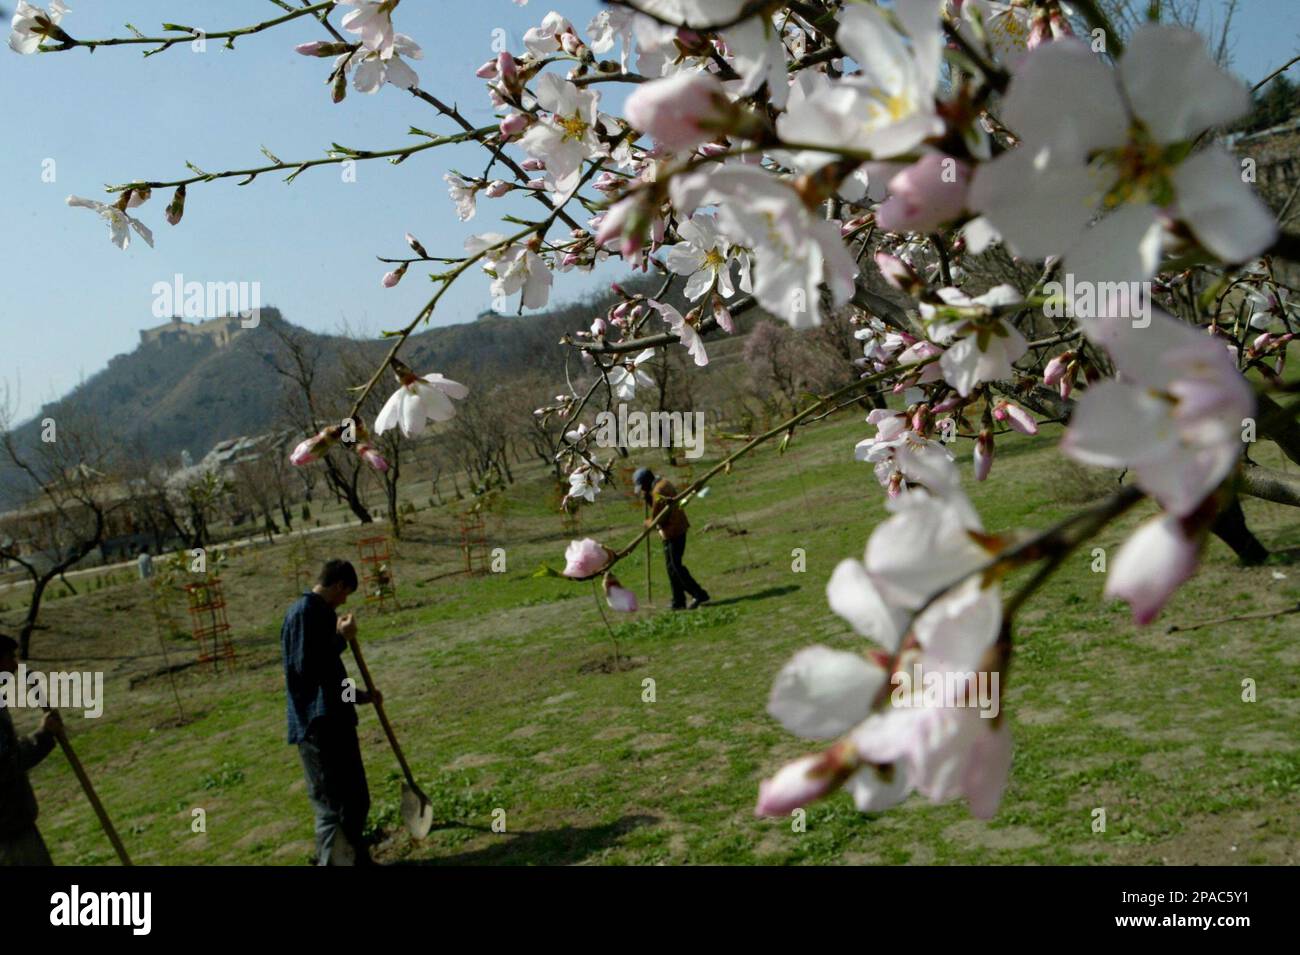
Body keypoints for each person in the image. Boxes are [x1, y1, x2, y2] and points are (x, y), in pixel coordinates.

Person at [280, 560, 381, 866]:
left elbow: (332, 678)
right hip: (317, 729)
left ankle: (354, 858)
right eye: (346, 593)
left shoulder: (324, 615)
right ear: (338, 585)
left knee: (356, 800)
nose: (344, 601)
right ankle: (330, 861)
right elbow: (306, 670)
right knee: (330, 806)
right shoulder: (302, 613)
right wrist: (341, 639)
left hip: (338, 722)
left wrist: (361, 697)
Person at [0, 633, 63, 866]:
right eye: (9, 658)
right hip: (8, 831)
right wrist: (43, 735)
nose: (14, 665)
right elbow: (5, 764)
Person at [634, 467, 711, 611]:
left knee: (675, 567)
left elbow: (659, 518)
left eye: (643, 487)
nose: (643, 490)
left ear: (646, 482)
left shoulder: (658, 492)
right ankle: (678, 600)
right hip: (677, 528)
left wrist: (647, 522)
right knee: (672, 567)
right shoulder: (663, 483)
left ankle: (699, 594)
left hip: (673, 531)